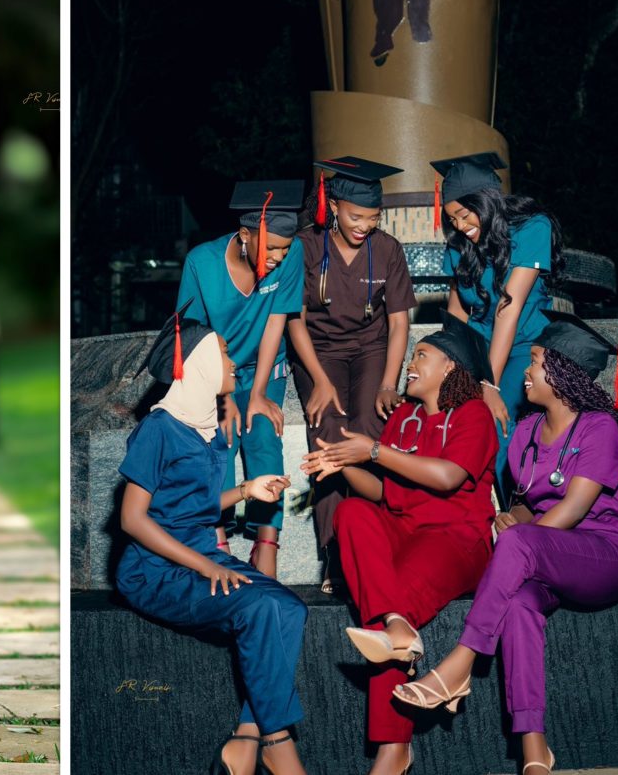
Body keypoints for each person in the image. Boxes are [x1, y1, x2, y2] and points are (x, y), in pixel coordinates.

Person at [393, 311, 618, 775]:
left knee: (517, 544)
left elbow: (572, 510)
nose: (525, 372)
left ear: (562, 373)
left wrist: (521, 534)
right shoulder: (526, 431)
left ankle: (460, 664)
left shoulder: (599, 429)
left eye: (535, 362)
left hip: (605, 557)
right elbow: (528, 503)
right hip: (547, 557)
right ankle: (535, 750)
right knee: (520, 605)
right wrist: (512, 519)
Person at [300, 312, 498, 775]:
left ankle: (393, 749)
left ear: (450, 367)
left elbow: (448, 478)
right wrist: (343, 464)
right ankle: (395, 623)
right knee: (351, 512)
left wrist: (372, 450)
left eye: (422, 355)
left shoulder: (474, 415)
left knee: (393, 605)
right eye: (412, 355)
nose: (411, 363)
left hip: (455, 540)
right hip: (400, 530)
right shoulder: (404, 418)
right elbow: (382, 491)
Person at [117, 306, 309, 775]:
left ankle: (247, 738)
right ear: (198, 361)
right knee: (259, 607)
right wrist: (208, 566)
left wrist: (246, 490)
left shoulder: (207, 429)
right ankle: (277, 742)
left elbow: (193, 507)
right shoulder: (159, 428)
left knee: (290, 608)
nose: (232, 361)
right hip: (154, 571)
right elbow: (132, 520)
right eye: (223, 353)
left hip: (199, 555)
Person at [290, 156, 416, 594]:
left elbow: (398, 324)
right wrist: (319, 379)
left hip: (370, 349)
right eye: (356, 216)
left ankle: (376, 543)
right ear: (334, 207)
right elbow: (294, 319)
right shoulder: (306, 246)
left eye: (373, 217)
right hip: (318, 351)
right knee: (328, 434)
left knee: (368, 428)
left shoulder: (387, 249)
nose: (365, 225)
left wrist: (388, 383)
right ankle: (336, 552)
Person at [177, 181, 306, 578]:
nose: (279, 257)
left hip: (266, 366)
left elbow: (277, 320)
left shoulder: (291, 254)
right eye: (271, 249)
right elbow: (194, 336)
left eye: (284, 248)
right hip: (213, 369)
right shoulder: (202, 262)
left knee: (265, 434)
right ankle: (217, 539)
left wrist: (260, 393)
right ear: (245, 236)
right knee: (221, 439)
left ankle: (267, 542)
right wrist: (224, 395)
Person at [432, 151, 565, 501]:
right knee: (448, 421)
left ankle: (513, 517)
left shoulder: (533, 227)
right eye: (452, 218)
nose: (459, 225)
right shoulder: (460, 244)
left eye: (465, 214)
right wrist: (446, 361)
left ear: (487, 201)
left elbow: (509, 307)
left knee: (496, 423)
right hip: (476, 346)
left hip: (524, 346)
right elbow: (457, 310)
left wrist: (488, 383)